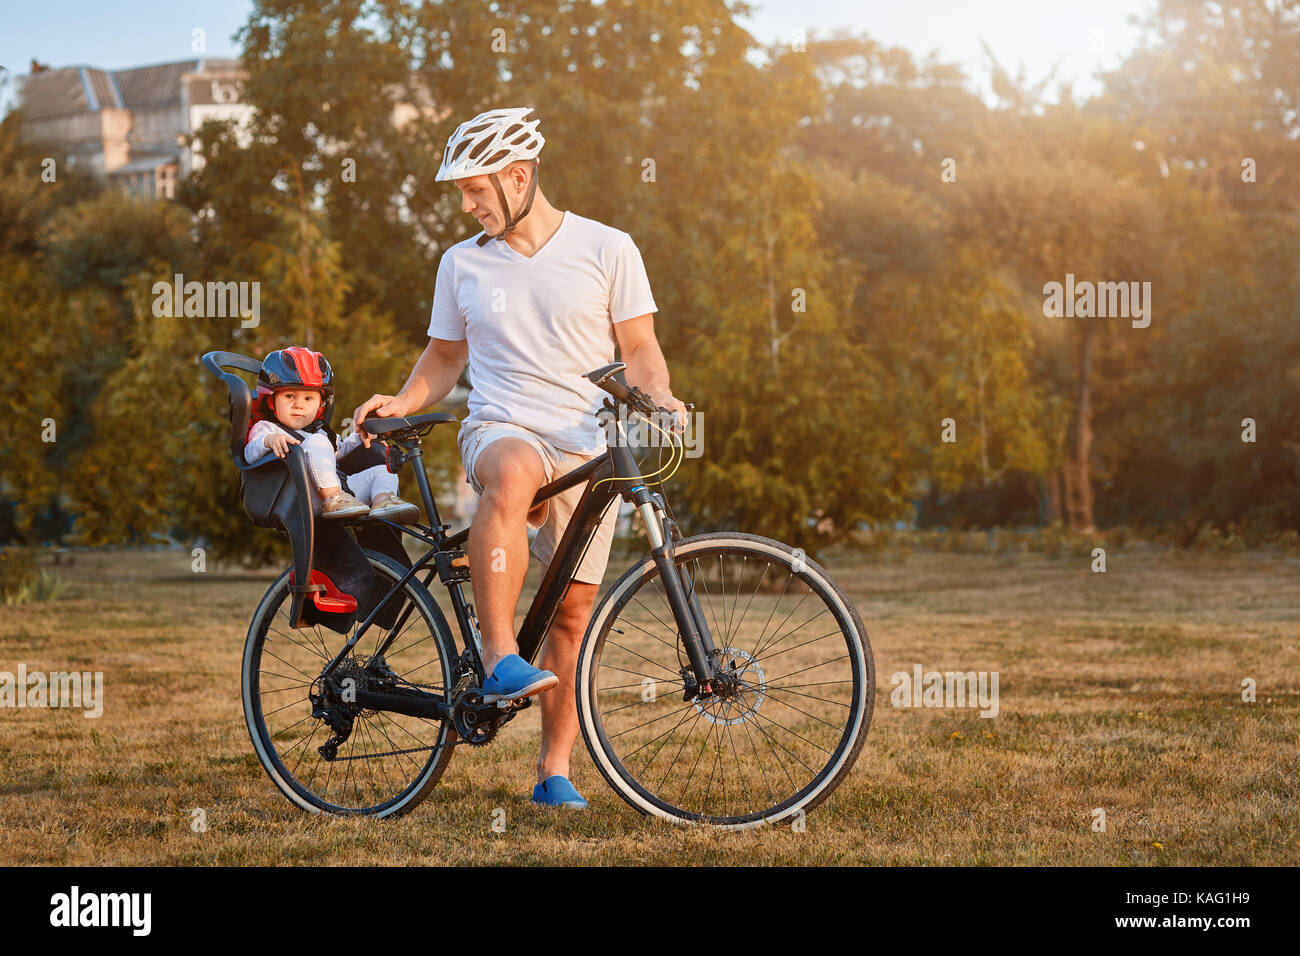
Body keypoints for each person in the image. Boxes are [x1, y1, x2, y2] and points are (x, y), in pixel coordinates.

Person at [354, 107, 688, 809]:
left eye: (476, 189)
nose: (468, 204)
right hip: (503, 425)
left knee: (572, 617)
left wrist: (657, 392)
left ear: (518, 175)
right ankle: (499, 657)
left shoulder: (607, 248)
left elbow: (640, 347)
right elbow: (444, 358)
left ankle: (553, 772)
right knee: (511, 474)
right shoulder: (463, 263)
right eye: (462, 194)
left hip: (586, 442)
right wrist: (403, 398)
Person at [246, 346, 419, 522]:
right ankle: (332, 498)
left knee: (383, 471)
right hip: (298, 497)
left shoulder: (321, 431)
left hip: (345, 495)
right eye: (290, 396)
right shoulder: (267, 428)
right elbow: (249, 454)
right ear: (271, 401)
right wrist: (268, 441)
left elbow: (339, 452)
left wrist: (360, 437)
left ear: (320, 404)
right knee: (318, 442)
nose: (299, 404)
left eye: (308, 398)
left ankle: (384, 501)